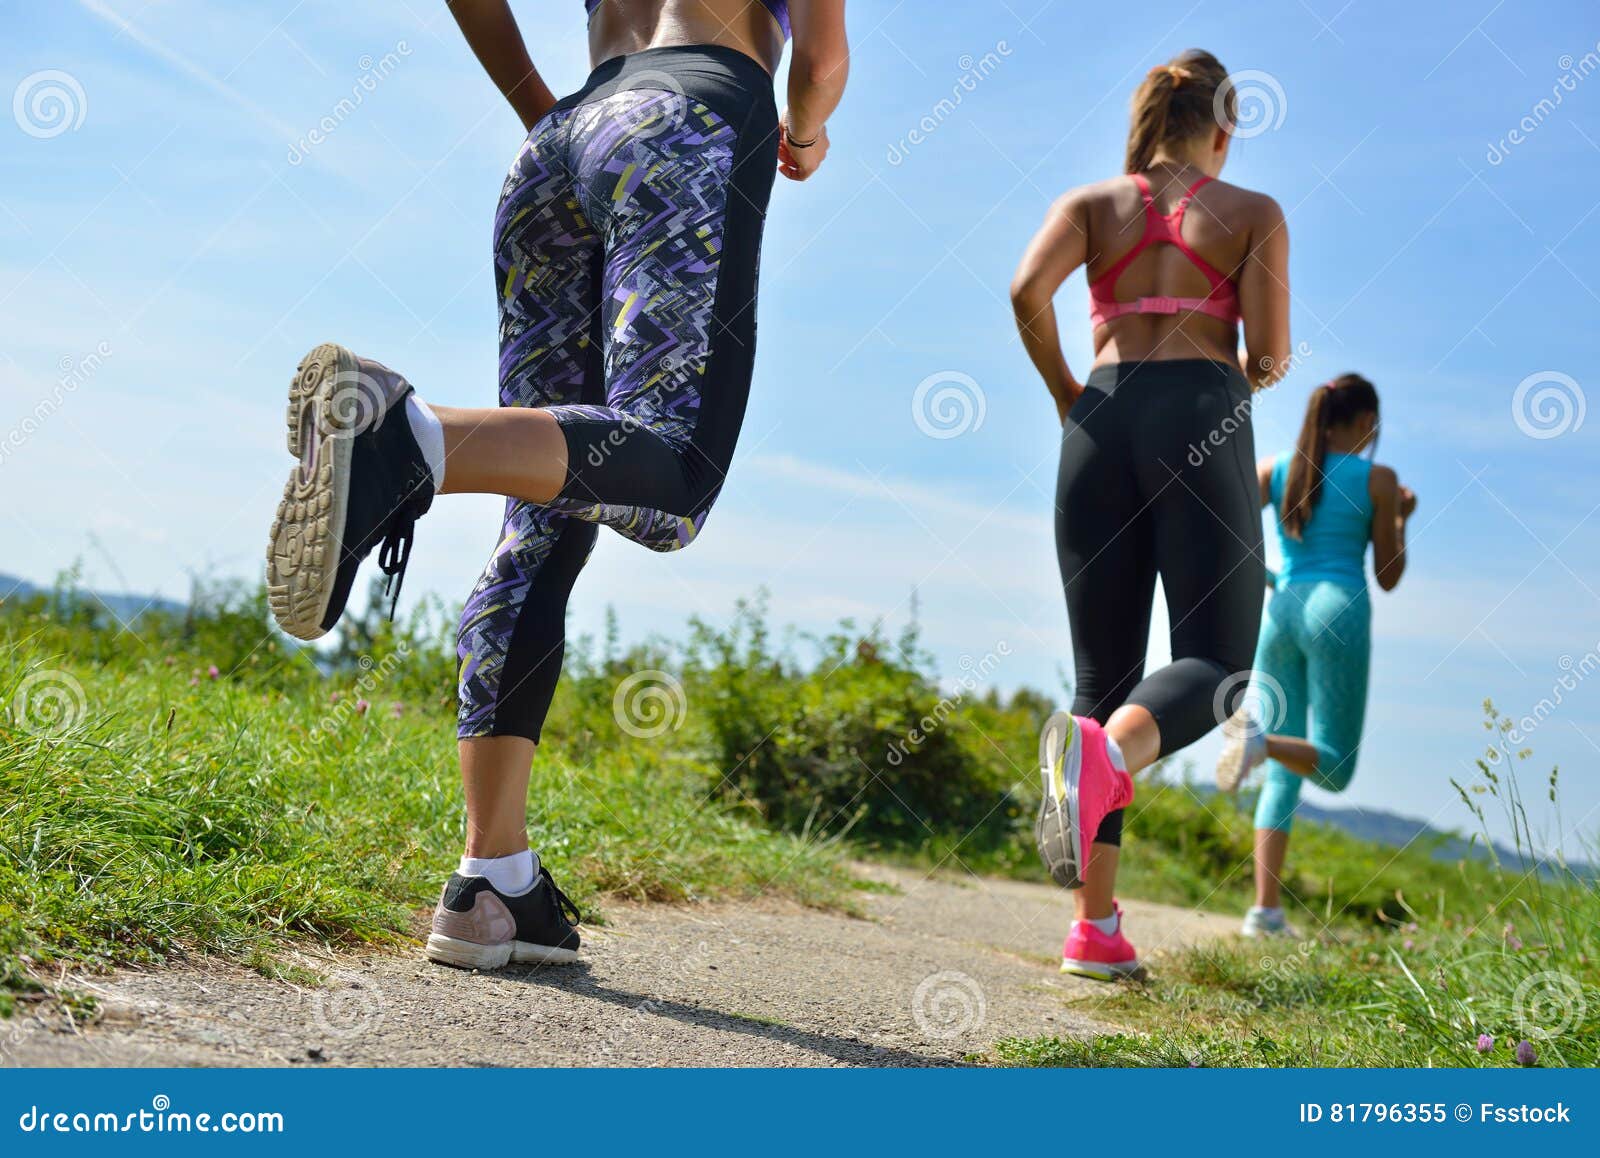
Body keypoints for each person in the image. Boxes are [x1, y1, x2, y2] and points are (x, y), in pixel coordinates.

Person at [263, 0, 849, 969]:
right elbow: (821, 58)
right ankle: (404, 434)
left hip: (555, 147)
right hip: (690, 117)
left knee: (541, 522)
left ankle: (491, 880)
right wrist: (805, 128)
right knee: (675, 473)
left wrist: (545, 106)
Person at [1010, 49, 1290, 980]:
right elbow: (1267, 351)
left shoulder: (1090, 205)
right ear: (1225, 126)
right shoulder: (1252, 213)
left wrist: (1067, 393)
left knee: (1103, 678)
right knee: (1220, 661)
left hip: (1098, 417)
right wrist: (1260, 372)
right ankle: (1105, 769)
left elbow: (1025, 293)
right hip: (1199, 414)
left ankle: (1095, 929)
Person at [1215, 375, 1414, 938]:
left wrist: (1270, 577)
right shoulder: (1378, 479)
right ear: (1366, 421)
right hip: (1338, 611)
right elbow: (1388, 575)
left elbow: (1223, 526)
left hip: (1281, 612)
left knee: (1283, 774)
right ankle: (1259, 742)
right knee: (1334, 766)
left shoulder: (1277, 470)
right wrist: (1400, 518)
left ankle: (1264, 912)